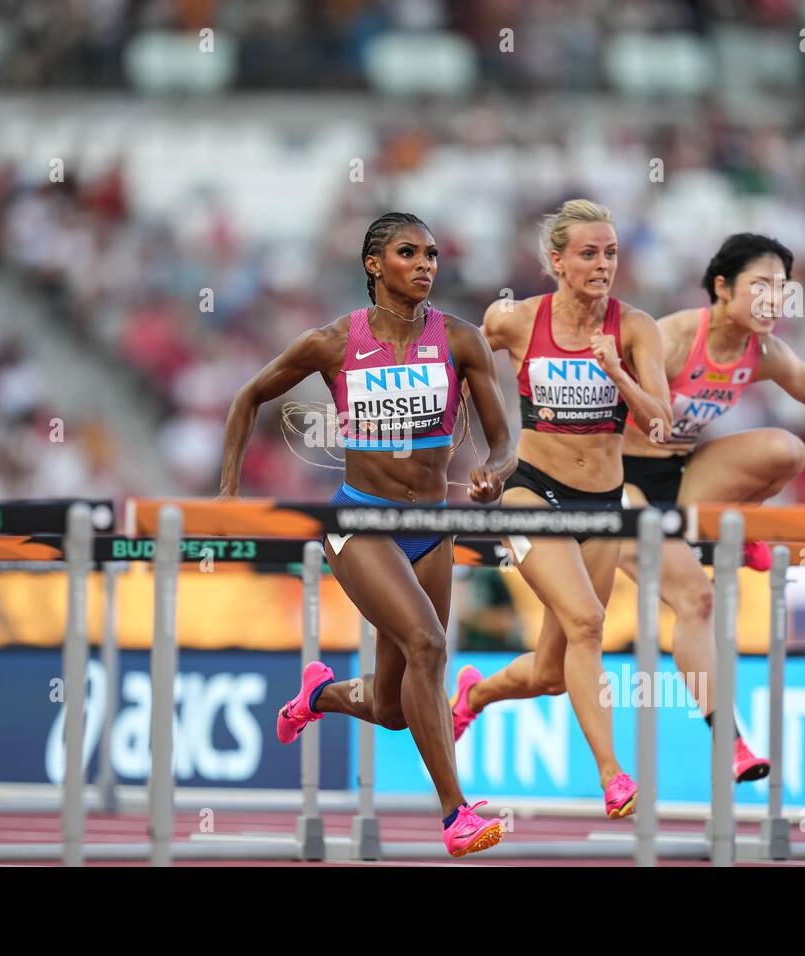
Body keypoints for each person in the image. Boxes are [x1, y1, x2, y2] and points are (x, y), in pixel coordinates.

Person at [220, 212, 517, 857]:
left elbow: (503, 437)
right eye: (409, 252)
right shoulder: (332, 342)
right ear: (374, 266)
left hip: (431, 527)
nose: (426, 264)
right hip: (359, 521)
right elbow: (248, 396)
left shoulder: (462, 341)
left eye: (433, 254)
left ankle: (320, 694)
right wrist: (228, 496)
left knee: (393, 706)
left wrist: (496, 469)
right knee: (428, 647)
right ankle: (454, 814)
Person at [615, 232, 805, 778]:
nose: (775, 300)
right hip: (617, 477)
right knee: (559, 662)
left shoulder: (763, 353)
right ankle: (475, 697)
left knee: (785, 450)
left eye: (783, 290)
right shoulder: (670, 338)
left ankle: (731, 741)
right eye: (761, 287)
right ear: (722, 287)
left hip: (681, 474)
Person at [450, 199, 672, 818]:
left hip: (601, 502)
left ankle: (475, 694)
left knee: (552, 670)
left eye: (611, 253)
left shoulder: (636, 328)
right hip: (531, 490)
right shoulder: (514, 321)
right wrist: (490, 457)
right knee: (587, 624)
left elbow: (661, 422)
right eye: (588, 253)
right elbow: (460, 367)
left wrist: (619, 374)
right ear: (556, 261)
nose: (603, 265)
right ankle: (612, 775)